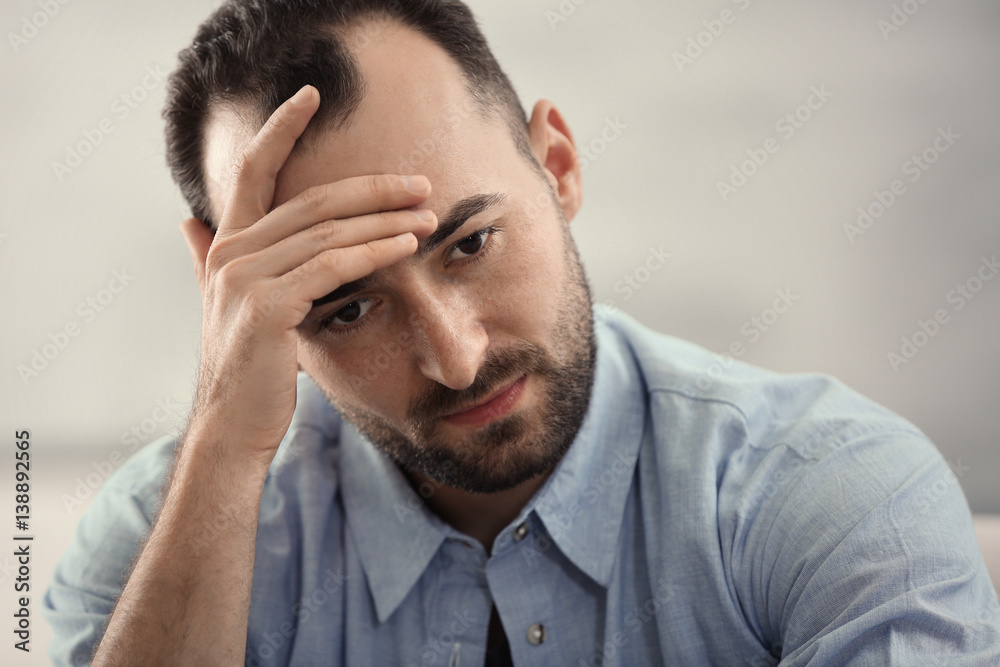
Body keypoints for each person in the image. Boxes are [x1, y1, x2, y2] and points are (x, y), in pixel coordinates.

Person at [43, 0, 1000, 665]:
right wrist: (224, 433)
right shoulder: (147, 553)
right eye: (343, 305)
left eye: (472, 242)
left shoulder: (838, 498)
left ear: (559, 163)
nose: (455, 355)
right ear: (232, 294)